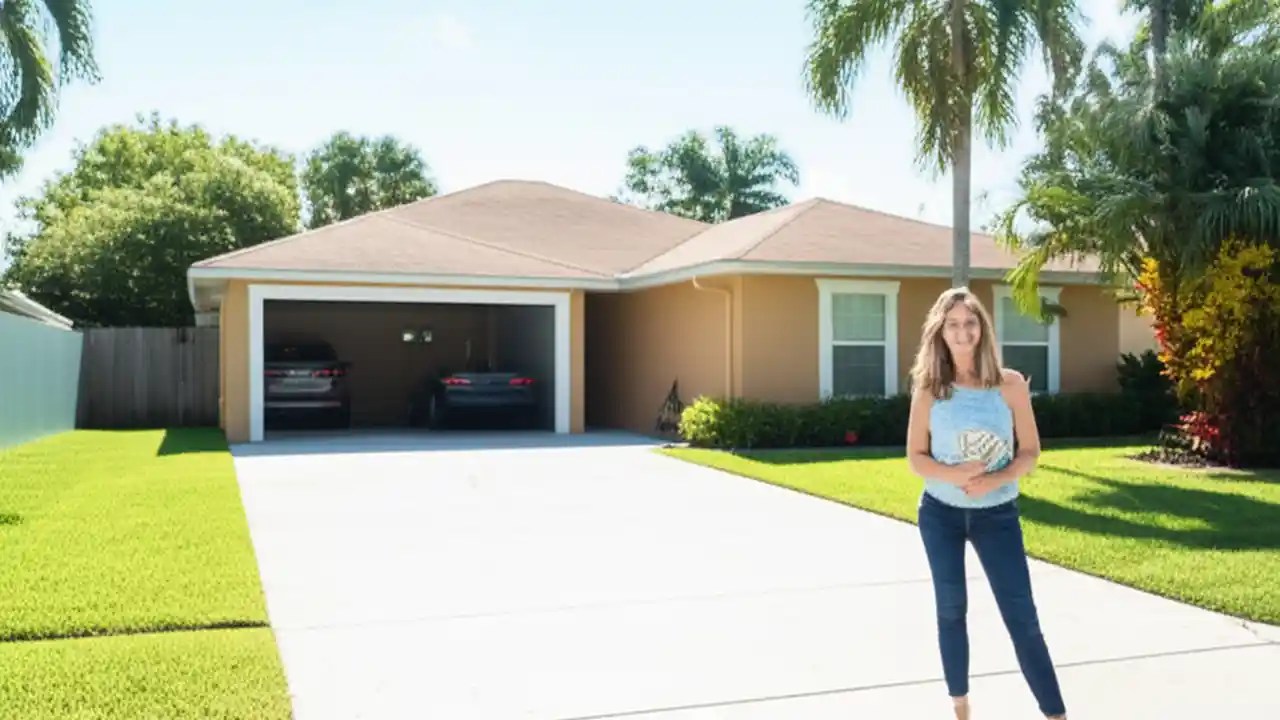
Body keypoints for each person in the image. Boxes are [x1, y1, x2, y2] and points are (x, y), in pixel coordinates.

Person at [905, 287, 1066, 720]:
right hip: (940, 515)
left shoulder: (1010, 385)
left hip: (997, 516)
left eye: (970, 323)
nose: (962, 332)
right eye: (953, 324)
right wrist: (955, 475)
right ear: (941, 331)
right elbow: (915, 458)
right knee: (951, 608)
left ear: (982, 328)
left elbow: (1029, 451)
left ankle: (1055, 713)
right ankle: (960, 706)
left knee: (1022, 617)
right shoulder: (930, 389)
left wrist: (997, 478)